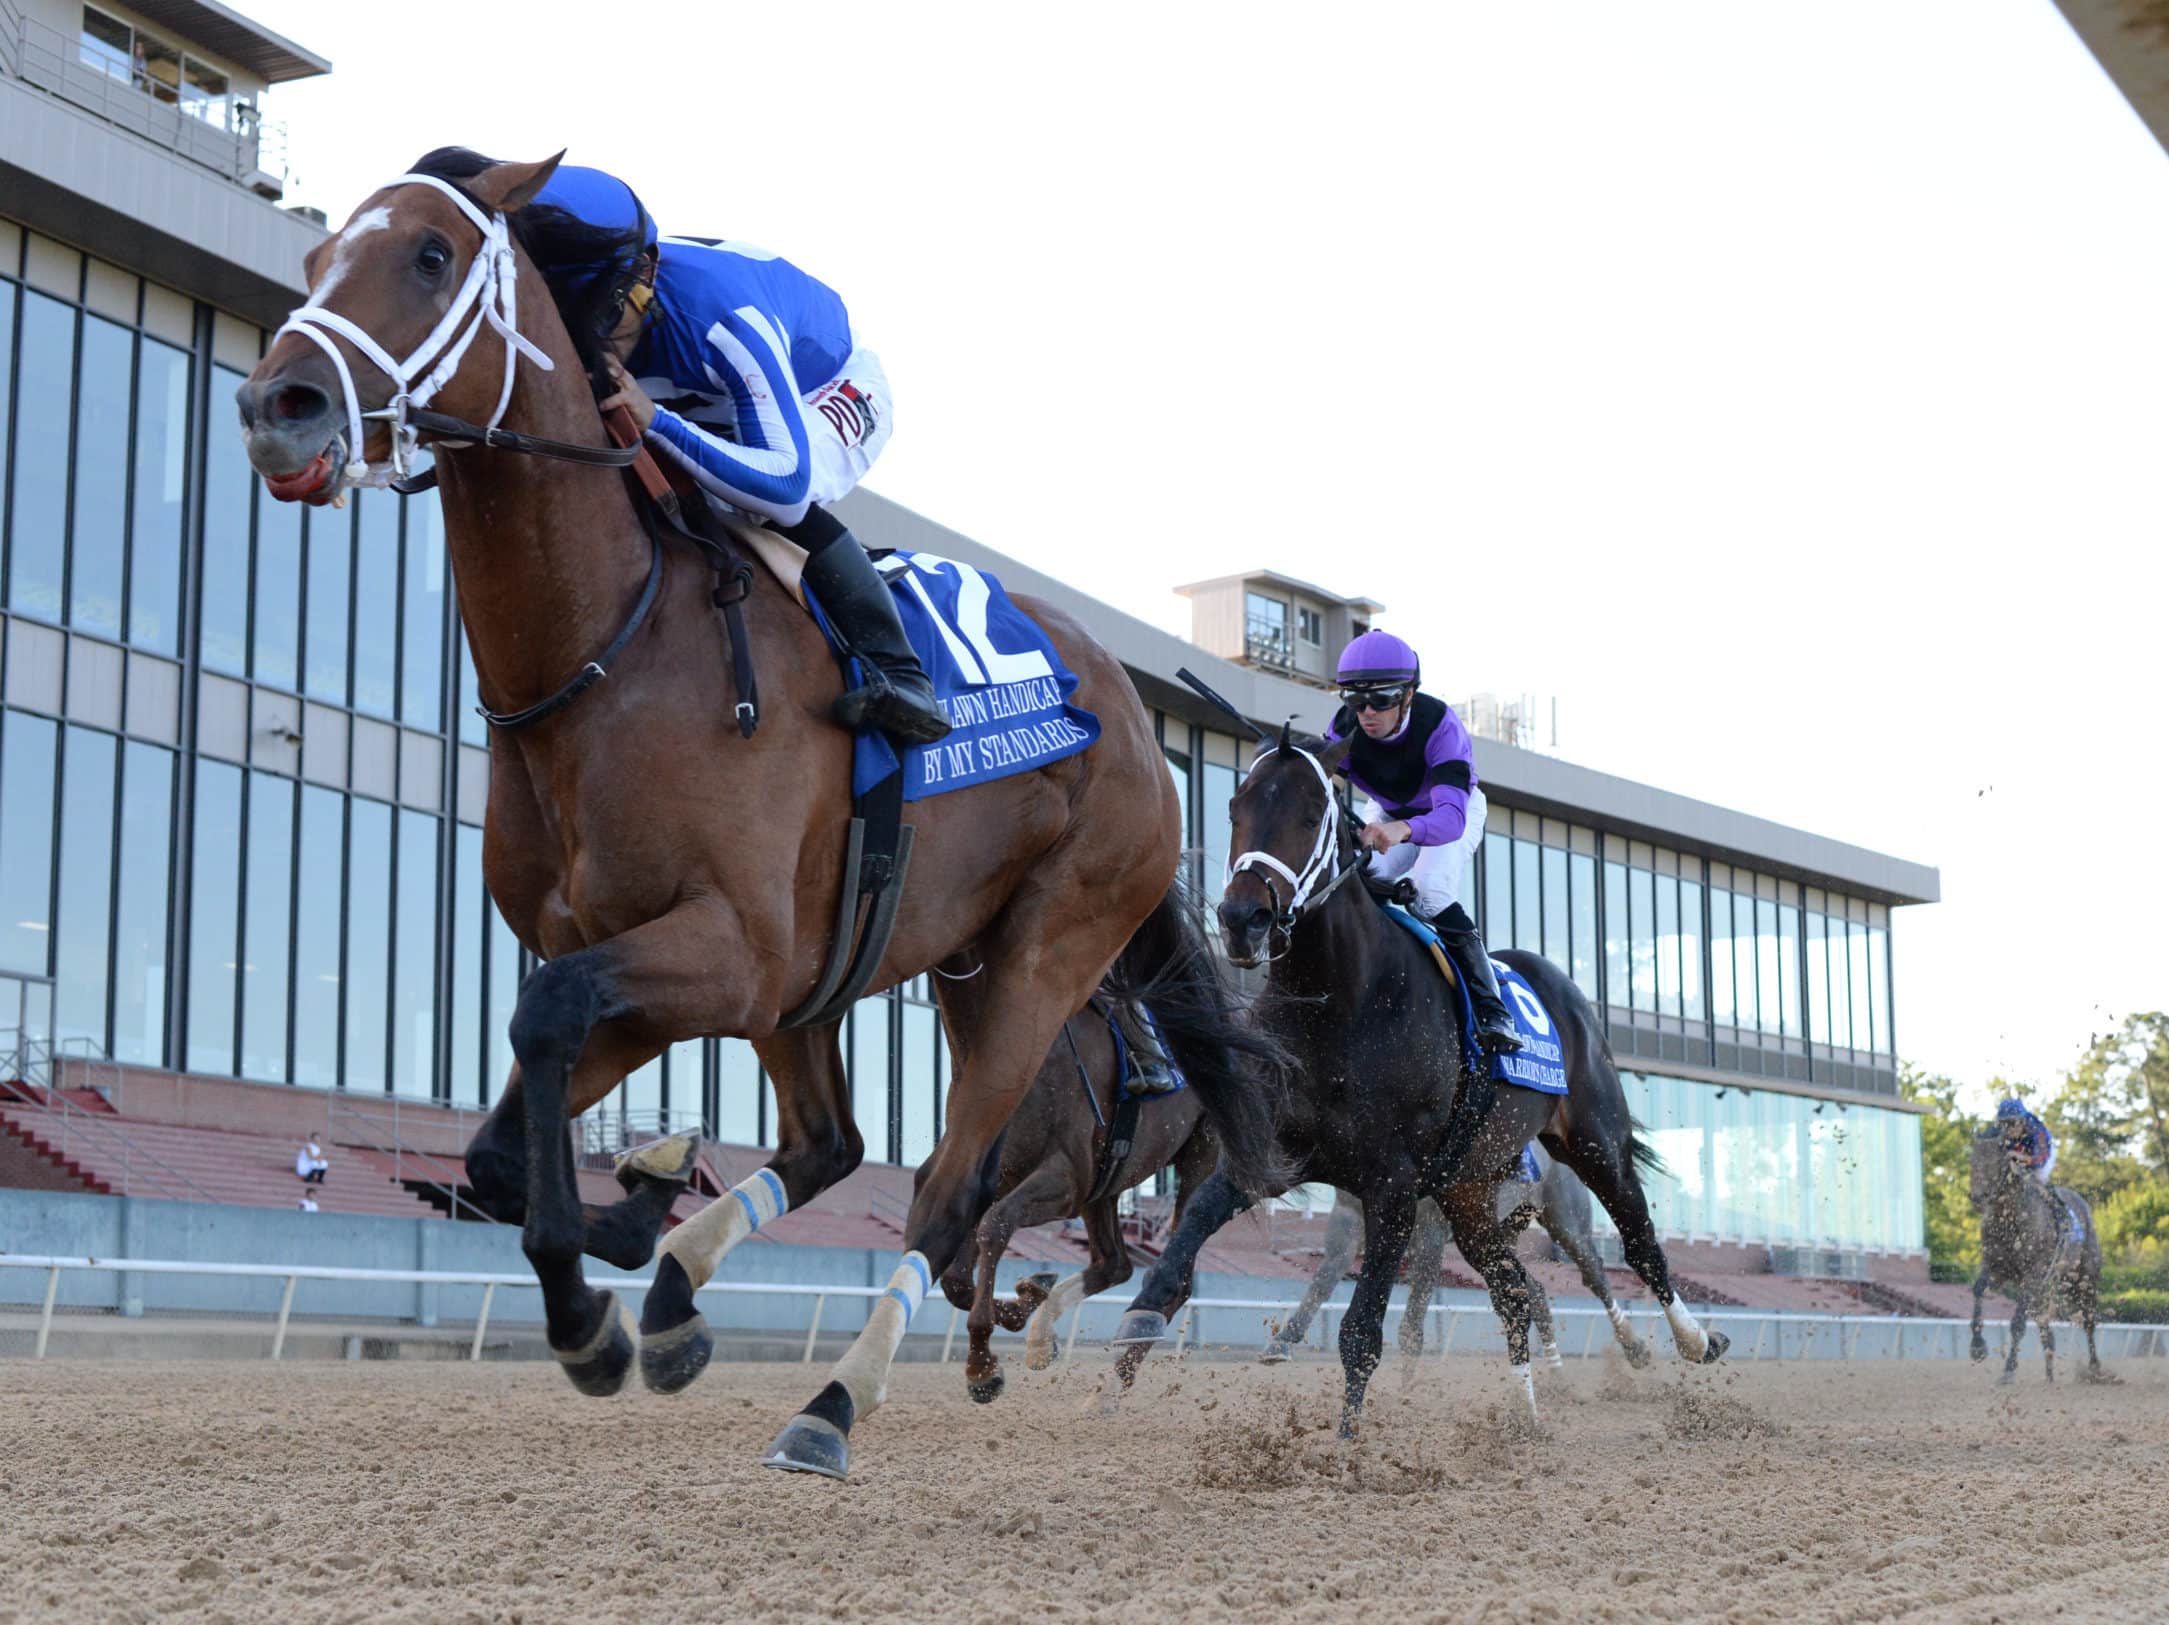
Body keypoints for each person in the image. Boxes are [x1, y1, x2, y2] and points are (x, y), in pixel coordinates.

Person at [503, 158, 949, 746]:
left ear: (647, 274)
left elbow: (785, 482)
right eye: (571, 324)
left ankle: (900, 672)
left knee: (757, 505)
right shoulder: (596, 297)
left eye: (605, 316)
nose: (595, 341)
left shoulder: (724, 317)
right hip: (699, 394)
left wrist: (656, 420)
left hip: (823, 386)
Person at [1325, 629, 1521, 1055]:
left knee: (1429, 891)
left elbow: (1449, 819)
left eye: (1381, 699)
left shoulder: (1440, 726)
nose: (1367, 714)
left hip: (1453, 810)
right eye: (1355, 701)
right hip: (1389, 810)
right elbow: (1325, 787)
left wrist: (1401, 830)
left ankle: (1492, 1009)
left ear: (1409, 695)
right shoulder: (1343, 729)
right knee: (1355, 884)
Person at [1995, 1097, 2056, 1185]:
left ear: (2023, 1120)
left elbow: (2041, 1160)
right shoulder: (2002, 1131)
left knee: (2039, 1177)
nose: (2008, 1128)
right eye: (2004, 1123)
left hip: (2043, 1154)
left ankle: (2047, 1194)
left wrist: (2021, 1157)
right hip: (2020, 1149)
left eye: (2012, 1123)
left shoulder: (2038, 1132)